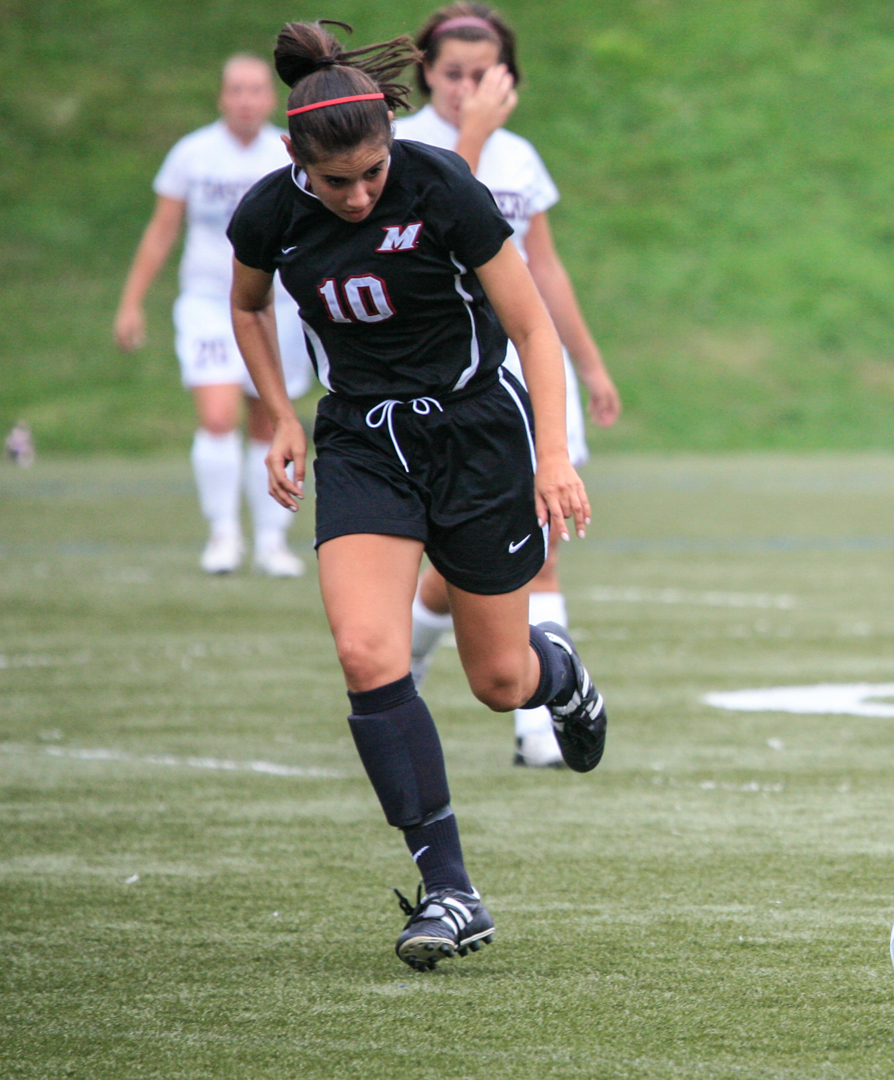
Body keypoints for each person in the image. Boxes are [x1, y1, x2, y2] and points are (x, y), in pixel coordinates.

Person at [228, 20, 610, 971]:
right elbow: (246, 305)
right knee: (366, 651)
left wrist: (553, 456)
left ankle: (557, 672)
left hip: (478, 434)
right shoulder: (270, 212)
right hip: (362, 440)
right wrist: (279, 414)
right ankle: (449, 889)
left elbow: (531, 325)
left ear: (393, 142)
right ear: (293, 159)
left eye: (371, 173)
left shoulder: (443, 186)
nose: (357, 195)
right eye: (335, 182)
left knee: (498, 682)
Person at [394, 2, 623, 769]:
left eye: (483, 74)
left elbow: (542, 268)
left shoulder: (520, 157)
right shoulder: (399, 152)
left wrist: (588, 362)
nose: (466, 87)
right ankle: (409, 661)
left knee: (544, 544)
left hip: (528, 368)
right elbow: (428, 245)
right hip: (453, 378)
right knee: (453, 569)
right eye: (452, 73)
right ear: (425, 72)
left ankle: (540, 729)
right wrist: (476, 135)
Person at [115, 54, 315, 576]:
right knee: (218, 415)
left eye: (255, 89)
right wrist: (132, 301)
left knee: (268, 420)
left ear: (271, 99)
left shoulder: (289, 155)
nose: (246, 99)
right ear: (222, 97)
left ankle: (272, 540)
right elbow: (162, 230)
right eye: (236, 90)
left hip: (278, 307)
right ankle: (224, 533)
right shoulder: (193, 154)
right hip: (208, 303)